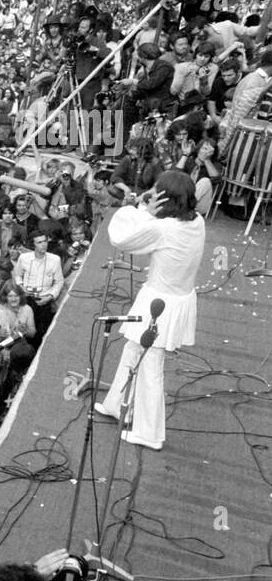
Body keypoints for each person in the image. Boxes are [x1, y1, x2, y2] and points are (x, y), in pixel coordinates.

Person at [94, 172, 205, 450]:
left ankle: (150, 433)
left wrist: (143, 210)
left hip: (160, 303)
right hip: (175, 298)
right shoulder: (198, 222)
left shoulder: (163, 228)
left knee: (151, 366)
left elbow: (122, 238)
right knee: (133, 350)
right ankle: (118, 405)